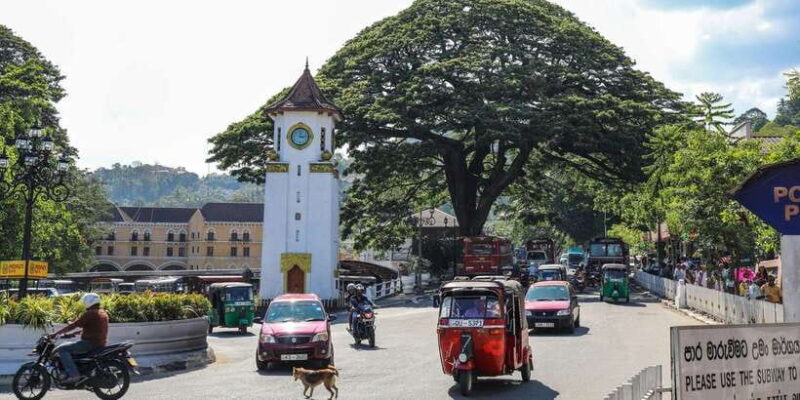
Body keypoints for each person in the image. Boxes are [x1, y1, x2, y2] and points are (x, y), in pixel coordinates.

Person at [50, 293, 109, 384]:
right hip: (99, 343)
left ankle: (74, 375)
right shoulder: (103, 312)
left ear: (89, 302)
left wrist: (55, 334)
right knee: (68, 346)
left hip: (89, 344)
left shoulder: (90, 313)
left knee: (62, 349)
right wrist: (75, 333)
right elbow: (94, 329)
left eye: (85, 302)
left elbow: (74, 325)